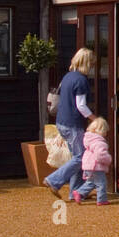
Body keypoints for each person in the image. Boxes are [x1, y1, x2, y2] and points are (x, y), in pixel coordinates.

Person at [44, 47, 95, 199]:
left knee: (76, 157)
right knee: (81, 157)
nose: (93, 66)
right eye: (92, 63)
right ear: (87, 63)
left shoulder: (68, 76)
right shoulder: (81, 80)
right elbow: (81, 106)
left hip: (62, 121)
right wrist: (95, 119)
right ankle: (53, 180)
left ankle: (76, 192)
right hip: (73, 124)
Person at [72, 116, 112, 206]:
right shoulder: (99, 142)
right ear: (102, 131)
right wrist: (108, 159)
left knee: (91, 182)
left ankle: (79, 192)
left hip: (88, 165)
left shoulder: (89, 139)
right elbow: (100, 155)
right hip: (96, 166)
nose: (106, 133)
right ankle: (102, 199)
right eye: (106, 131)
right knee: (101, 183)